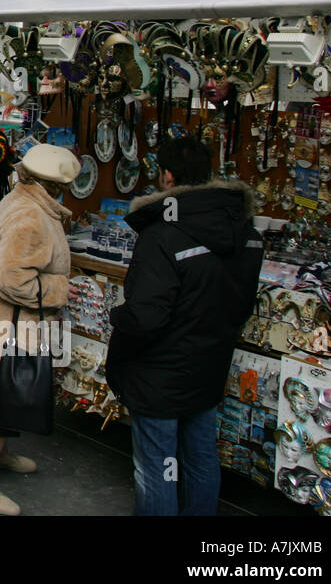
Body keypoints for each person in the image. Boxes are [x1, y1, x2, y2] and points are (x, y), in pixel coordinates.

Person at [107, 137, 263, 516]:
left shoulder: (161, 235)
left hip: (160, 375)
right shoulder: (247, 235)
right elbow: (240, 305)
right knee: (200, 459)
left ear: (166, 177)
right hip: (208, 368)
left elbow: (145, 318)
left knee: (160, 468)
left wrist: (117, 316)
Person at [0, 143, 81, 516]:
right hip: (5, 330)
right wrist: (59, 288)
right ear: (57, 186)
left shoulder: (19, 199)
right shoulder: (33, 215)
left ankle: (0, 456)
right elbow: (10, 280)